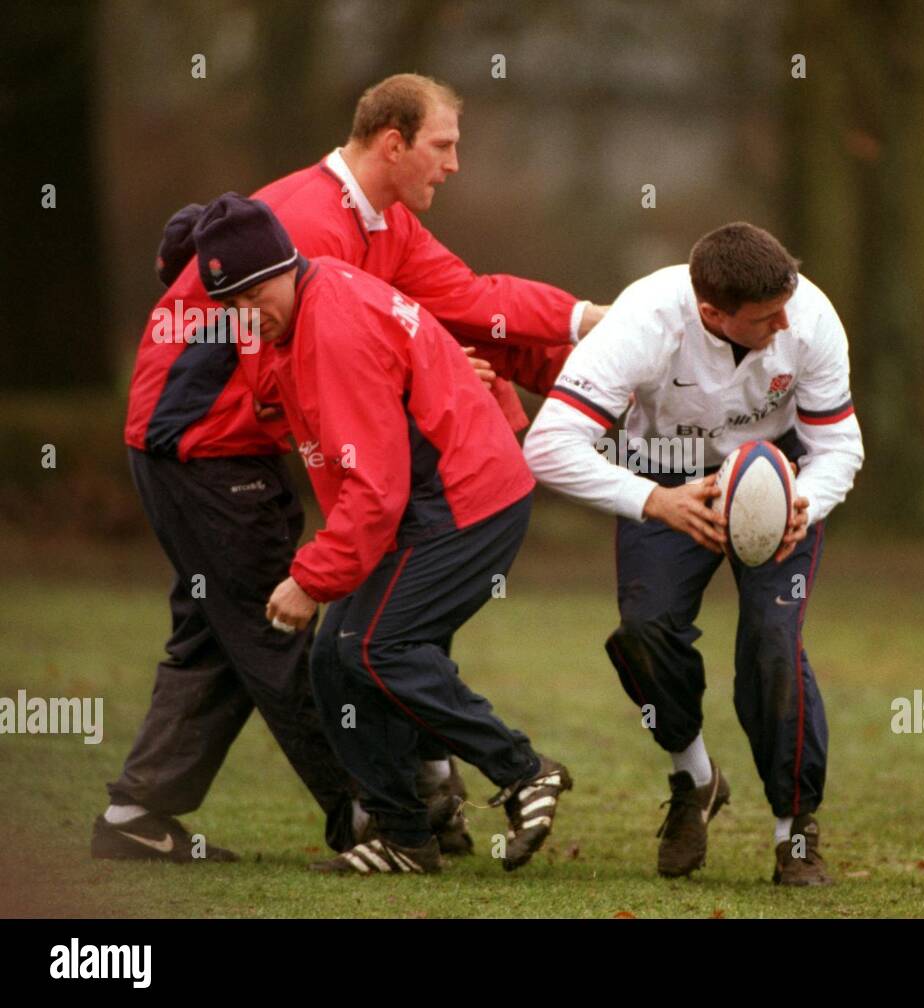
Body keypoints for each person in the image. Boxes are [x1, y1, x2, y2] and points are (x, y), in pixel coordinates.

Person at [99, 73, 601, 863]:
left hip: (243, 451)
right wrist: (427, 375)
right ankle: (380, 812)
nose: (455, 164)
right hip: (204, 450)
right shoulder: (303, 233)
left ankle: (143, 815)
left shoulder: (374, 225)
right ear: (392, 143)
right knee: (294, 627)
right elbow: (308, 381)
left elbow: (465, 299)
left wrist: (588, 327)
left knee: (241, 627)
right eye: (444, 145)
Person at [191, 192, 573, 874]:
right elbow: (313, 424)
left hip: (465, 499)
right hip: (429, 500)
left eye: (254, 294)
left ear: (285, 264)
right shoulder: (303, 307)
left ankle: (522, 769)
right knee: (334, 659)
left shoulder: (331, 325)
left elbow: (376, 486)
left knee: (375, 648)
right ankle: (406, 835)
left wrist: (312, 578)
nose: (247, 315)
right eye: (233, 306)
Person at [523, 222, 863, 884]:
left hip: (779, 474)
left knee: (773, 644)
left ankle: (795, 831)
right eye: (766, 318)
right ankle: (695, 780)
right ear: (713, 313)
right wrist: (655, 500)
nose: (785, 323)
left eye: (786, 305)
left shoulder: (811, 316)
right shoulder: (643, 319)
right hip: (666, 474)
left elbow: (840, 446)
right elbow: (548, 444)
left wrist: (806, 505)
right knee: (644, 633)